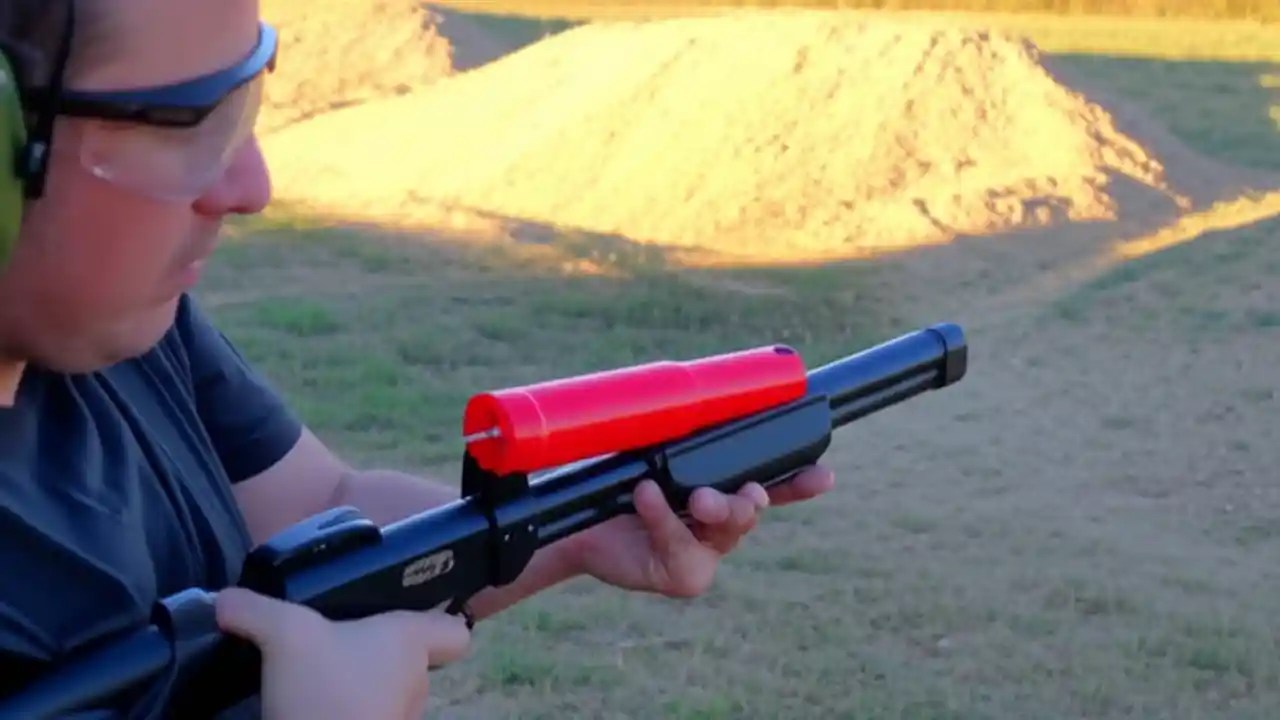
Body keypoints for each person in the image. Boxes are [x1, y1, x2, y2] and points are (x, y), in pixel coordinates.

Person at [0, 0, 836, 718]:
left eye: (244, 108)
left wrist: (583, 519)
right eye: (186, 126)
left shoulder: (132, 329)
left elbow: (323, 507)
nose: (252, 185)